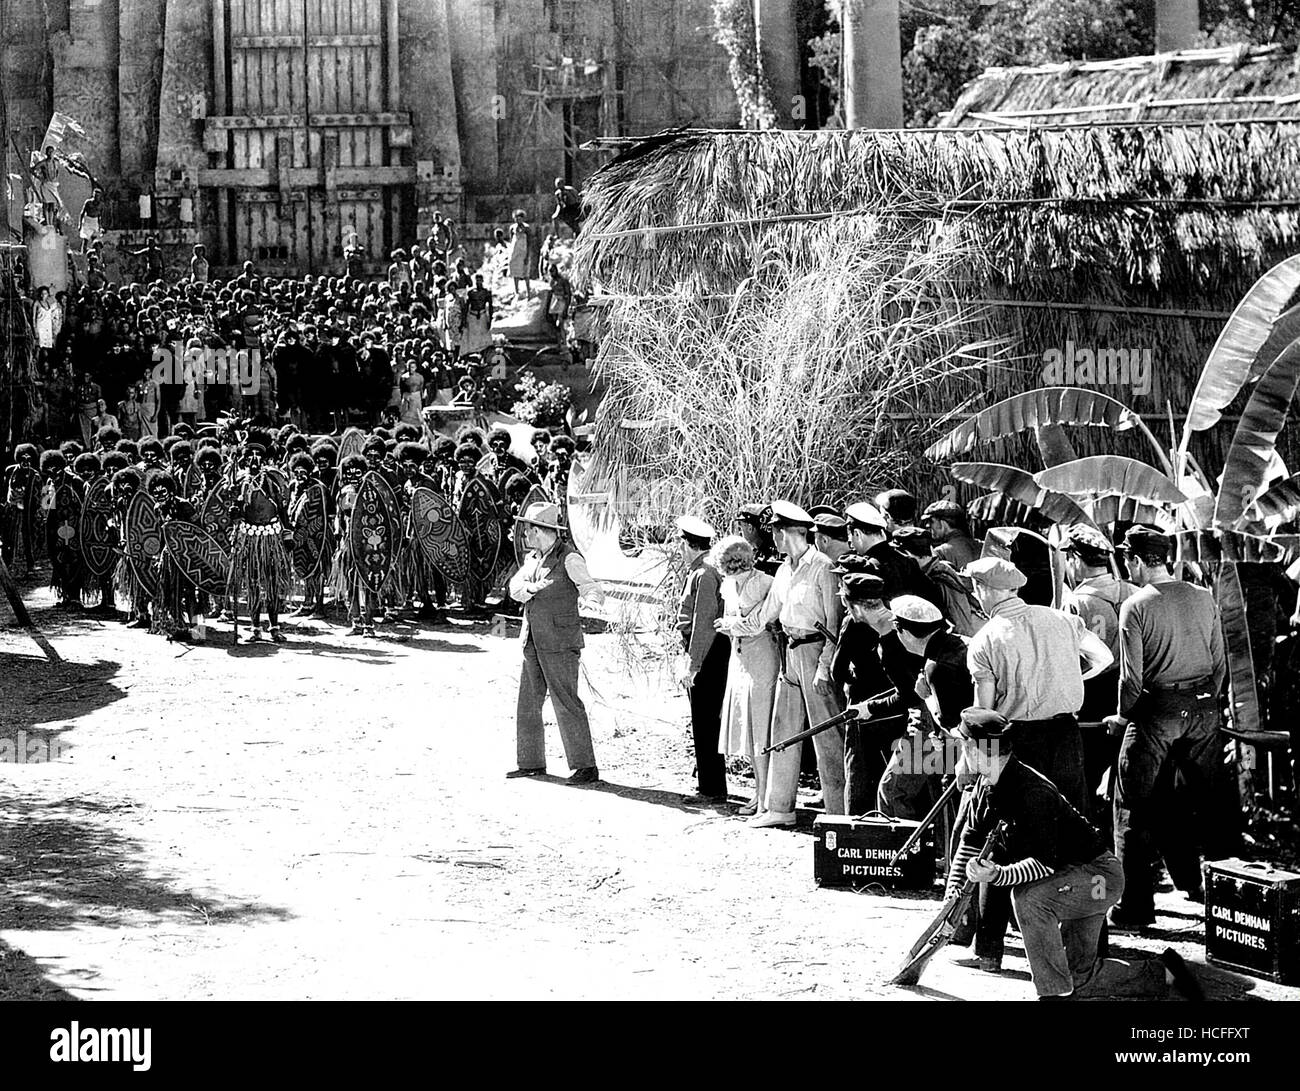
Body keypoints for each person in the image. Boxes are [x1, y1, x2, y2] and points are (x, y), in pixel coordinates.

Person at [946, 707, 1203, 1001]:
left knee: (1029, 898)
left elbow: (1042, 865)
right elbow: (970, 839)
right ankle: (1169, 973)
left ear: (976, 751)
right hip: (1070, 882)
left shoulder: (1032, 791)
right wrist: (954, 896)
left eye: (962, 745)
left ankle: (1053, 995)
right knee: (1078, 978)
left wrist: (996, 875)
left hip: (1098, 880)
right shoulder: (986, 785)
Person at [962, 555, 1114, 972]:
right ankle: (1094, 944)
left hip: (1017, 741)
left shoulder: (985, 639)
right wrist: (1068, 681)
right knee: (1077, 829)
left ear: (985, 591)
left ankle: (990, 950)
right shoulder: (1062, 620)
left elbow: (984, 715)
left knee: (1000, 836)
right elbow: (1103, 660)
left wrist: (970, 764)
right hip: (1067, 736)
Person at [1105, 527, 1231, 930]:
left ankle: (1134, 907)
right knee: (1209, 803)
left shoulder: (1136, 606)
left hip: (1158, 710)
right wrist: (1207, 703)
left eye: (1128, 559)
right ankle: (1227, 899)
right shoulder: (1203, 596)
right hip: (1204, 707)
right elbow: (1220, 663)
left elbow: (1131, 680)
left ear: (1138, 561)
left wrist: (1123, 718)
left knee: (1131, 807)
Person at [716, 500, 845, 828]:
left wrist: (825, 666)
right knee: (782, 733)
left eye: (775, 530)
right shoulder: (785, 569)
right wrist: (735, 627)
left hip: (815, 653)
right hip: (789, 651)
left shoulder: (823, 567)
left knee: (826, 737)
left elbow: (835, 623)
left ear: (790, 532)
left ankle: (838, 815)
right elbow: (764, 616)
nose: (771, 536)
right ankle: (779, 808)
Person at [507, 501, 606, 784]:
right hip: (533, 642)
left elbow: (589, 586)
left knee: (566, 702)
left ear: (539, 531)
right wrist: (529, 588)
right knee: (528, 702)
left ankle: (586, 767)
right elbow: (514, 588)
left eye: (527, 531)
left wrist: (592, 601)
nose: (524, 536)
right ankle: (530, 763)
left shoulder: (569, 558)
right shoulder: (533, 558)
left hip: (560, 643)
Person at [1060, 524, 1138, 825]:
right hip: (1131, 690)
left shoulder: (1076, 602)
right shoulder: (1133, 591)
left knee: (1087, 771)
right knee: (1125, 769)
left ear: (1077, 559)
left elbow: (1072, 658)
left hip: (1093, 692)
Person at [710, 535, 778, 817]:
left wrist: (729, 624)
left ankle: (766, 798)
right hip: (739, 659)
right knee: (747, 727)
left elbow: (756, 624)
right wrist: (732, 625)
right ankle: (757, 793)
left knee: (761, 728)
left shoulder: (764, 583)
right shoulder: (730, 585)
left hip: (761, 657)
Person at [676, 516, 730, 802]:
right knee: (707, 720)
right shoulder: (706, 568)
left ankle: (711, 788)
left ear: (687, 544)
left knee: (705, 720)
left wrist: (692, 664)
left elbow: (703, 622)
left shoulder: (704, 573)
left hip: (708, 652)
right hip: (712, 649)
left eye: (680, 542)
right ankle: (708, 780)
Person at [227, 428, 293, 642]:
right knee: (252, 581)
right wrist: (234, 514)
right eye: (250, 455)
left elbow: (283, 509)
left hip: (270, 536)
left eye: (259, 455)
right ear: (245, 459)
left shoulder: (274, 479)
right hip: (249, 536)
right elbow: (232, 510)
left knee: (272, 582)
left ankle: (274, 626)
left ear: (264, 458)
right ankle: (255, 627)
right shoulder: (237, 481)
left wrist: (287, 533)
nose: (254, 460)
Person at [845, 501, 943, 610]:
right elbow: (933, 598)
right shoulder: (907, 560)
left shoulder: (867, 568)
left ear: (857, 534)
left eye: (850, 535)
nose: (850, 541)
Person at [923, 499, 979, 570]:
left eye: (931, 521)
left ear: (943, 524)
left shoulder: (940, 553)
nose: (927, 525)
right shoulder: (982, 545)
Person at [507, 209, 534, 299]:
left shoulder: (527, 228)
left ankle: (528, 291)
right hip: (515, 252)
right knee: (515, 271)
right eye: (516, 218)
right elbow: (511, 240)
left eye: (520, 218)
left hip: (524, 251)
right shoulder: (512, 228)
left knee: (525, 272)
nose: (518, 220)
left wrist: (527, 255)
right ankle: (516, 291)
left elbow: (530, 242)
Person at [79, 188, 105, 253]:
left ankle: (96, 255)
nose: (96, 197)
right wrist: (80, 224)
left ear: (100, 196)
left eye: (98, 196)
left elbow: (100, 216)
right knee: (86, 239)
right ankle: (83, 253)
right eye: (95, 195)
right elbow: (82, 213)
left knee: (95, 240)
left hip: (95, 221)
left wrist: (100, 226)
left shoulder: (101, 205)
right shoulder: (88, 202)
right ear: (93, 195)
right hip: (87, 220)